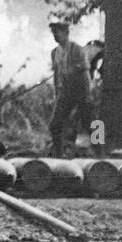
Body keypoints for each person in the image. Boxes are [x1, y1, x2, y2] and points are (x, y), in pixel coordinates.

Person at [48, 20, 94, 158]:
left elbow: (86, 74)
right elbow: (56, 75)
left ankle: (100, 151)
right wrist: (57, 95)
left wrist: (88, 94)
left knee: (92, 124)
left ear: (66, 33)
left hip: (81, 92)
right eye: (53, 32)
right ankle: (59, 154)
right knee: (55, 125)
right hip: (65, 93)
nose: (55, 35)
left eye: (58, 32)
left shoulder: (78, 50)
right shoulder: (55, 52)